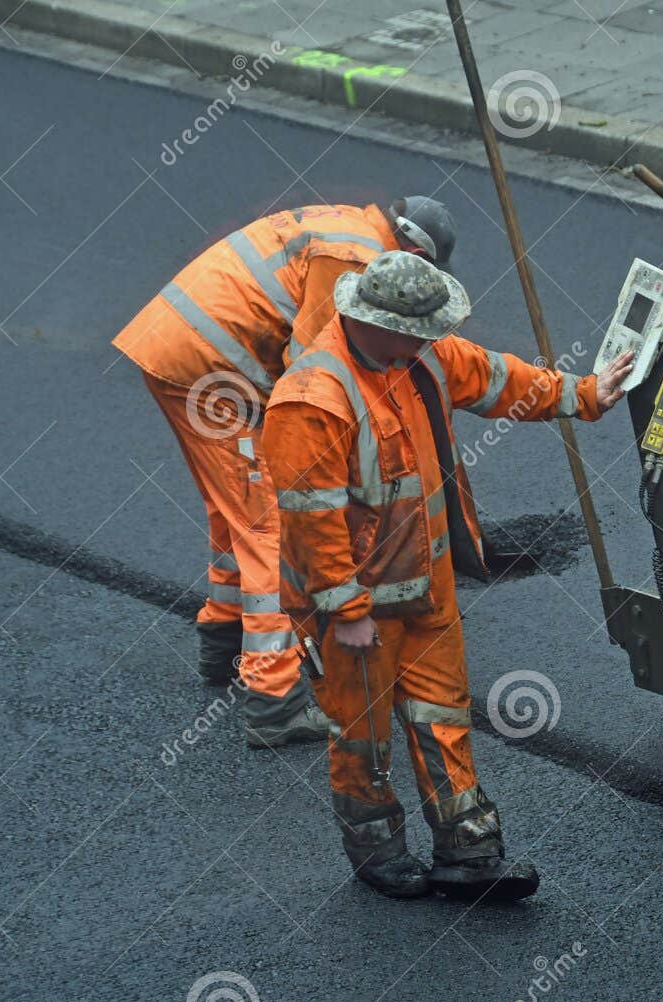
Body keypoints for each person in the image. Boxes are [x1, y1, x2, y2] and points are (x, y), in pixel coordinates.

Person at [263, 250, 634, 900]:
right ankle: (376, 849)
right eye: (419, 330)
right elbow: (310, 521)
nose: (431, 340)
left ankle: (469, 850)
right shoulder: (312, 399)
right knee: (363, 736)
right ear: (374, 322)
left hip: (426, 590)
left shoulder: (422, 357)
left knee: (443, 717)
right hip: (358, 612)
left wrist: (582, 393)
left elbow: (498, 379)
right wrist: (346, 613)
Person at [111, 197, 455, 746]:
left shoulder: (348, 224)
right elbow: (314, 363)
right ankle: (274, 700)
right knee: (269, 527)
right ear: (413, 253)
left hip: (189, 353)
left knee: (234, 514)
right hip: (211, 375)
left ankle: (224, 637)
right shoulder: (357, 257)